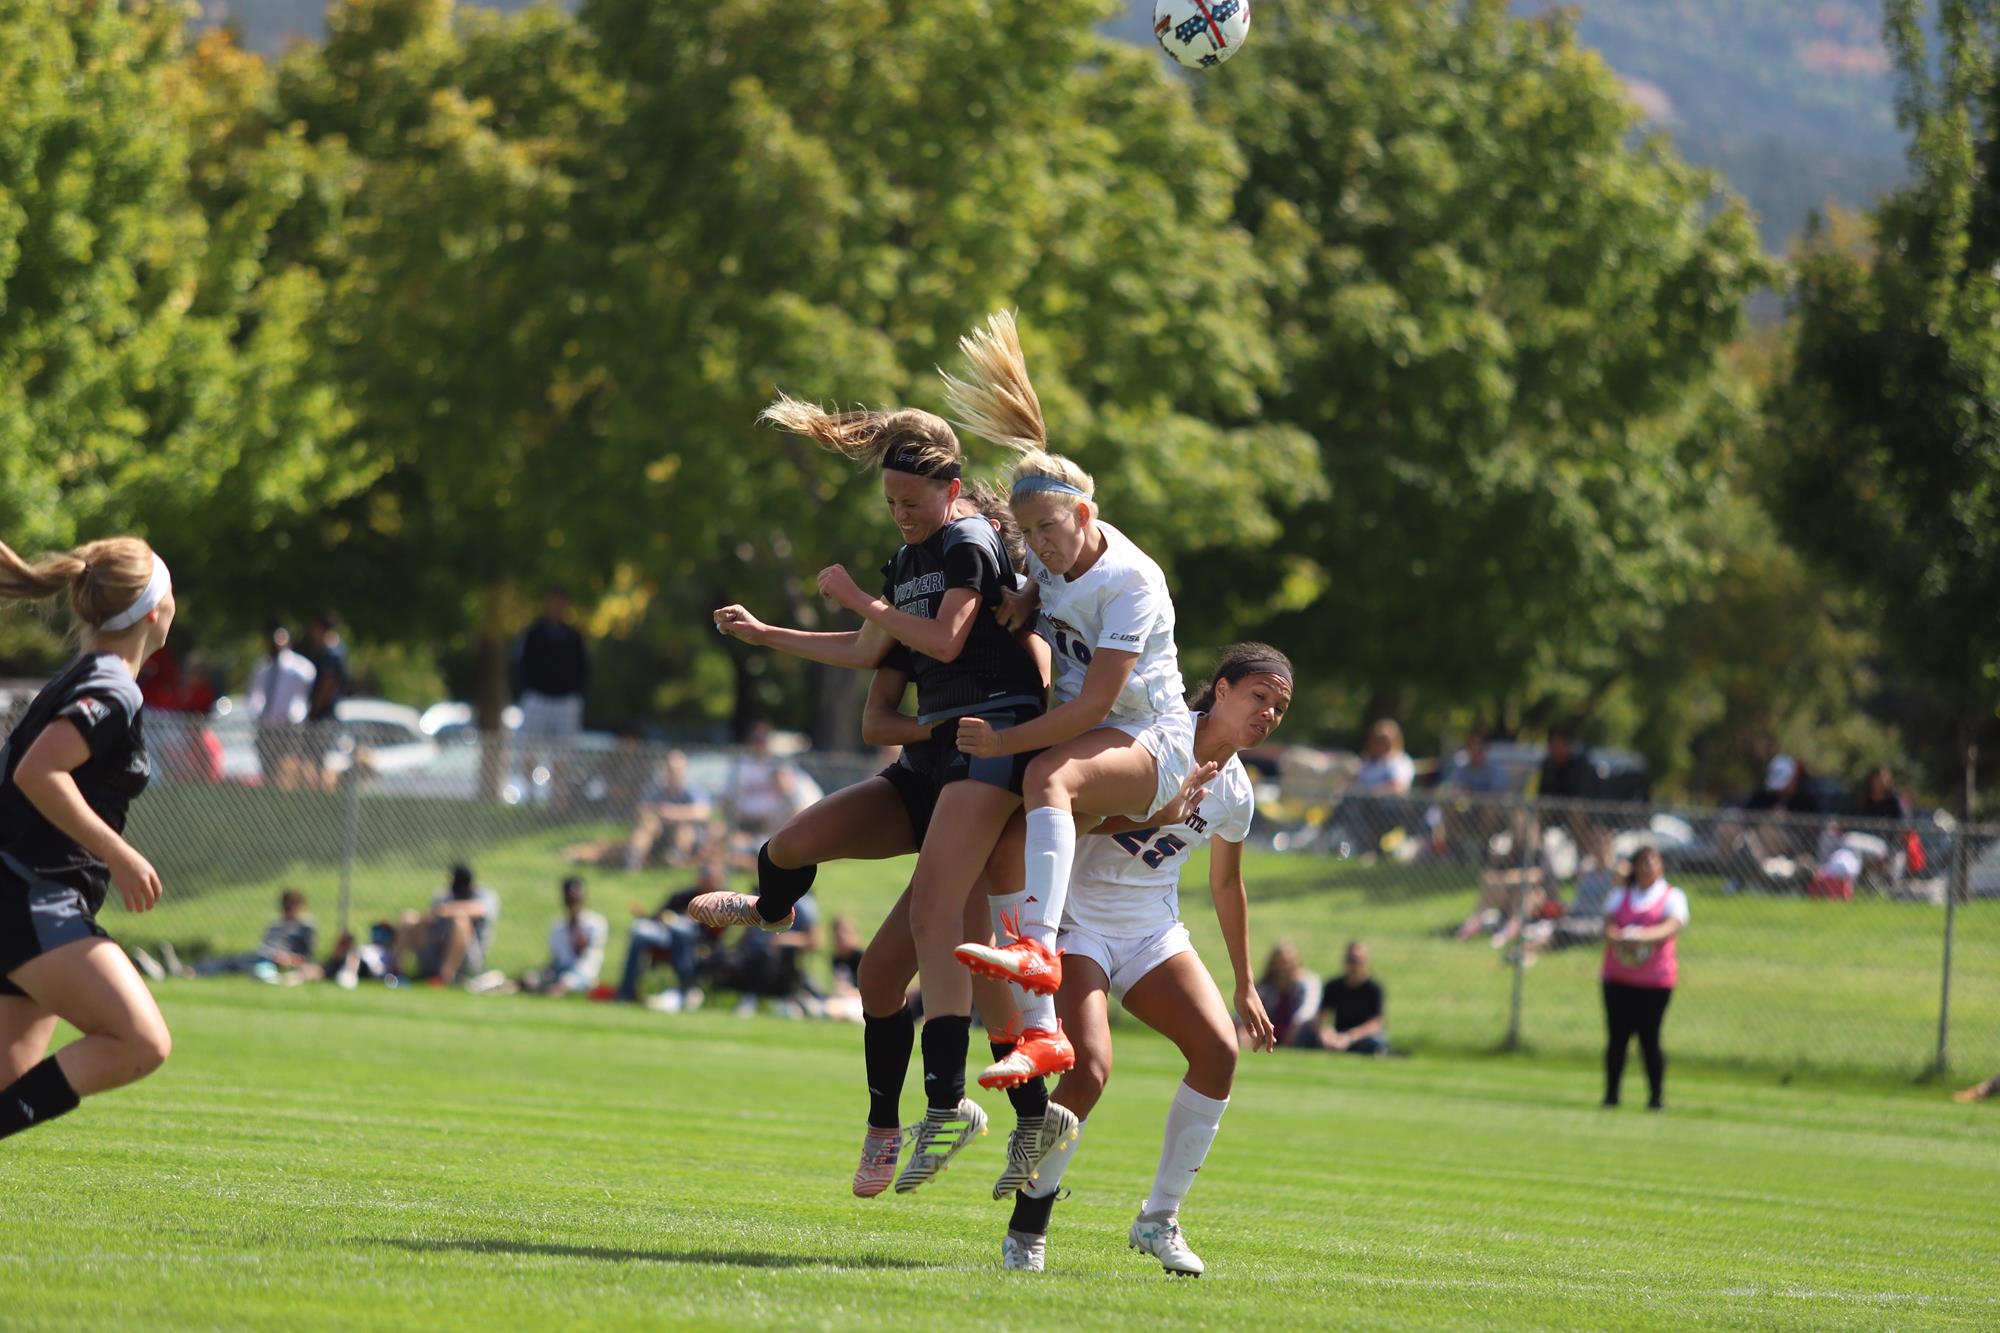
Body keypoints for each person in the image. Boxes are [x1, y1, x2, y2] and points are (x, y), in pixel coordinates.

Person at [697, 383, 1060, 1197]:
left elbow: (946, 635)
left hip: (988, 753)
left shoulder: (967, 539)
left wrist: (862, 599)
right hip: (933, 767)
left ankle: (954, 1106)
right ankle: (772, 910)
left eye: (910, 499)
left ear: (952, 489)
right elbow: (870, 651)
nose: (899, 513)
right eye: (890, 501)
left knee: (958, 941)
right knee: (800, 863)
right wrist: (766, 633)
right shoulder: (909, 558)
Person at [940, 312, 1204, 1101]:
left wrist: (1004, 741)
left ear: (1087, 515)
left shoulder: (1132, 580)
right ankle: (1044, 1028)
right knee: (1000, 855)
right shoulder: (1052, 557)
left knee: (1045, 776)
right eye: (1031, 535)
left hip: (1153, 745)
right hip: (1100, 745)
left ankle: (1038, 949)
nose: (1043, 544)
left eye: (1051, 530)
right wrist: (1023, 594)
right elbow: (1049, 586)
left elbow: (1093, 705)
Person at [996, 646, 1286, 1275]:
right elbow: (1067, 811)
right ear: (1223, 688)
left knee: (1219, 1051)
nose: (1269, 714)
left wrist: (1246, 984)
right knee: (1092, 1068)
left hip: (1151, 928)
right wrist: (1156, 810)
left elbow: (1227, 885)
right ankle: (1027, 1230)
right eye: (1260, 697)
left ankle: (1159, 1220)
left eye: (1280, 708)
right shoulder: (1157, 735)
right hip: (1079, 923)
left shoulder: (1236, 792)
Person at [0, 534, 176, 1144]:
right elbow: (38, 773)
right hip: (33, 897)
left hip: (21, 896)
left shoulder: (92, 675)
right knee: (140, 1041)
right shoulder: (112, 687)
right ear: (154, 611)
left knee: (10, 1084)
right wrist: (120, 854)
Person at [1600, 845, 1687, 1110]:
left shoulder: (1672, 896)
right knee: (1618, 1038)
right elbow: (1607, 925)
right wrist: (1620, 937)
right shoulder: (1621, 895)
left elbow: (1673, 925)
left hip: (1655, 980)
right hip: (1619, 977)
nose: (1648, 867)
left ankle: (1655, 1098)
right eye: (1643, 862)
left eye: (1653, 862)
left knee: (1649, 1039)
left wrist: (1639, 937)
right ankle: (1612, 1096)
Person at [615, 861, 727, 1009]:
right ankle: (626, 992)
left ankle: (686, 989)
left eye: (712, 877)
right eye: (705, 876)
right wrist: (665, 918)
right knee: (639, 931)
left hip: (698, 943)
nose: (708, 880)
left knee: (681, 929)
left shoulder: (723, 900)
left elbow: (717, 931)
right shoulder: (684, 896)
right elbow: (658, 916)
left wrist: (690, 920)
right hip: (666, 938)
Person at [389, 864, 500, 988]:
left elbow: (478, 909)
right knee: (408, 917)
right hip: (436, 949)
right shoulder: (446, 894)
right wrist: (429, 918)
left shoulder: (485, 895)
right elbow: (431, 915)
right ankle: (396, 972)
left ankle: (445, 976)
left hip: (467, 960)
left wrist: (447, 910)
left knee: (460, 919)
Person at [186, 888, 320, 982]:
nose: (286, 910)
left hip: (274, 960)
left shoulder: (305, 927)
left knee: (235, 964)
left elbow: (306, 957)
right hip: (263, 953)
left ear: (300, 906)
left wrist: (289, 959)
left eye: (290, 907)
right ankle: (193, 968)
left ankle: (193, 971)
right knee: (231, 960)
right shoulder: (277, 924)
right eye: (285, 906)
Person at [247, 623, 317, 791]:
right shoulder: (264, 667)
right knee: (266, 764)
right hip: (267, 724)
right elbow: (256, 694)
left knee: (285, 765)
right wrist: (256, 714)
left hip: (288, 725)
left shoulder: (299, 668)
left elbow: (304, 691)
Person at [515, 585, 590, 741]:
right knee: (528, 748)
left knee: (564, 752)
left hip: (566, 699)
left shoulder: (574, 636)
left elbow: (582, 668)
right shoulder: (534, 633)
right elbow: (522, 663)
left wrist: (576, 691)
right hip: (537, 697)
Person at [517, 877, 607, 996]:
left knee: (565, 983)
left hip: (583, 972)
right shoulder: (558, 925)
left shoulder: (595, 923)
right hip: (559, 970)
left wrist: (575, 925)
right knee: (531, 979)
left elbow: (583, 954)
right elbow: (555, 959)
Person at [623, 750, 712, 869]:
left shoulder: (695, 790)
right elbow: (642, 810)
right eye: (670, 769)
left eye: (678, 769)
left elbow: (702, 813)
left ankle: (677, 859)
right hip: (660, 831)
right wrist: (658, 814)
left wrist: (673, 814)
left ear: (685, 770)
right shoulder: (655, 790)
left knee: (684, 827)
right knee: (648, 824)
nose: (674, 773)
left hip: (690, 835)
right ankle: (633, 861)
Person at [1310, 941, 1387, 1055]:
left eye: (1357, 961)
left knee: (1376, 1041)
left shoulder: (1374, 989)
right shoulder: (1333, 986)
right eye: (1350, 960)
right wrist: (1326, 1033)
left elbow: (1377, 1023)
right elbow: (1320, 1018)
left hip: (1361, 1036)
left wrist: (1350, 1037)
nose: (1354, 966)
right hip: (1338, 1035)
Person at [1251, 942, 1321, 1049]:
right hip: (1271, 1030)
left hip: (1299, 1032)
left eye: (1288, 962)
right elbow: (1251, 1005)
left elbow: (1308, 1010)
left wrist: (1294, 1026)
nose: (1284, 967)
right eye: (1280, 962)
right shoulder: (1266, 985)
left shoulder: (1308, 982)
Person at [1354, 719, 1414, 794]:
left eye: (1386, 740)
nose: (1382, 744)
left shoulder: (1400, 761)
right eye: (1378, 740)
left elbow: (1399, 787)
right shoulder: (1365, 760)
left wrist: (1373, 791)